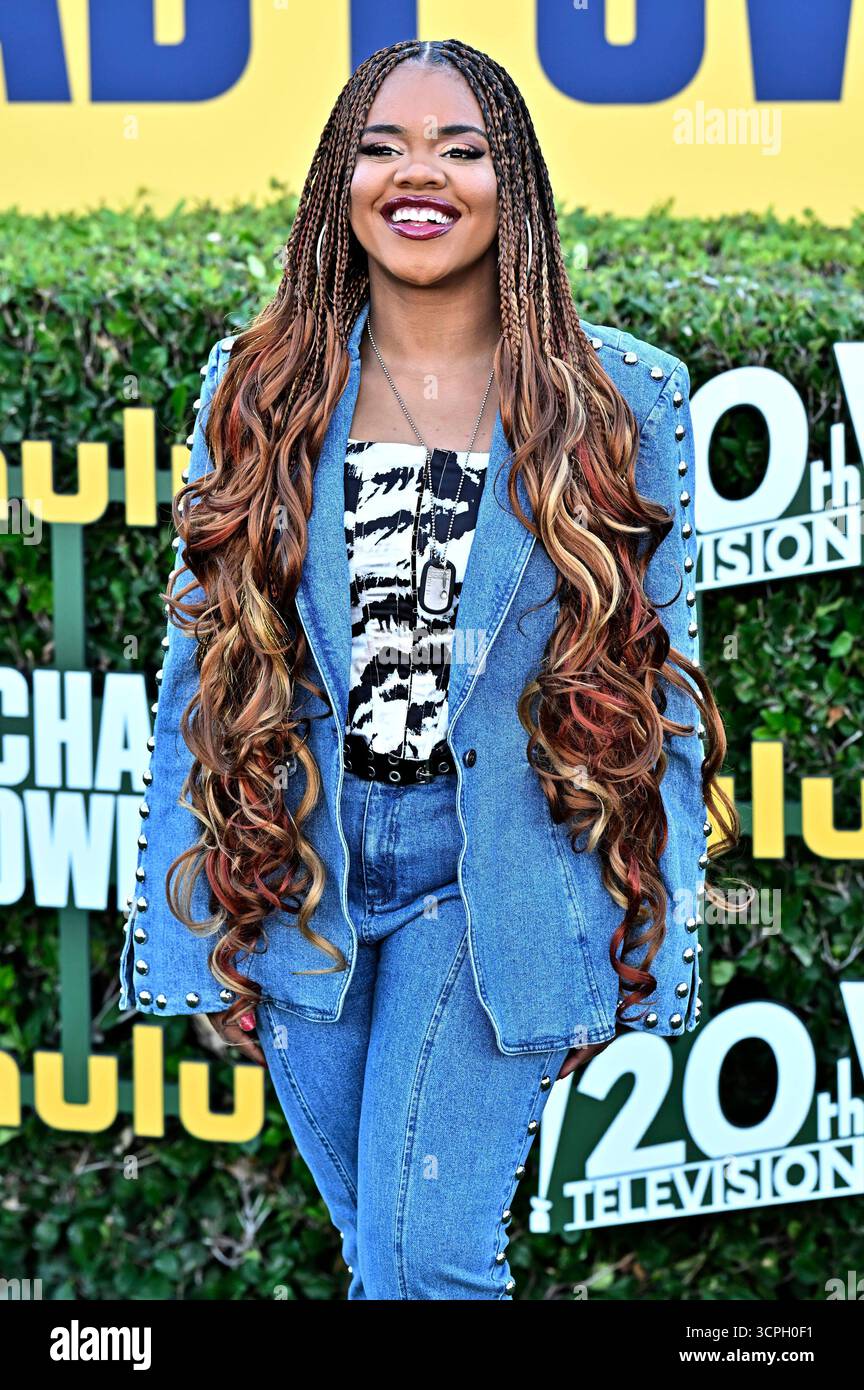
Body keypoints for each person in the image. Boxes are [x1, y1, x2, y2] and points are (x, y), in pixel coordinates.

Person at [119, 37, 738, 1300]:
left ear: (515, 184)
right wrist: (197, 939)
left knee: (428, 1263)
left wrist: (641, 952)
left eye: (464, 148)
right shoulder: (261, 386)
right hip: (299, 874)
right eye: (383, 145)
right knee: (383, 1260)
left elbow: (660, 706)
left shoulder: (620, 398)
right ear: (336, 184)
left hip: (497, 876)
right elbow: (204, 675)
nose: (422, 175)